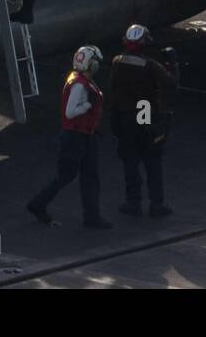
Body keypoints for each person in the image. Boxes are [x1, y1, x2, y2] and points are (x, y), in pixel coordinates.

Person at [27, 46, 112, 229]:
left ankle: (92, 216)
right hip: (76, 137)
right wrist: (87, 106)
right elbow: (70, 112)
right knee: (67, 175)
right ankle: (38, 204)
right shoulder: (80, 85)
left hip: (85, 135)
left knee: (88, 177)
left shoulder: (80, 80)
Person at [109, 24, 179, 218]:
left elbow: (113, 91)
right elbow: (172, 85)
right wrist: (173, 63)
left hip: (124, 115)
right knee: (152, 161)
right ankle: (157, 205)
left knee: (130, 162)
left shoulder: (116, 62)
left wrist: (114, 119)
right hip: (144, 111)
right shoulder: (150, 65)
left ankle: (133, 202)